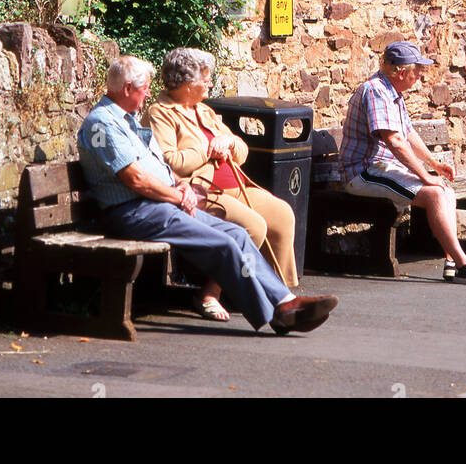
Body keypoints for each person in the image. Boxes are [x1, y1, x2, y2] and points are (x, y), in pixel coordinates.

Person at [77, 55, 338, 333]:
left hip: (159, 204)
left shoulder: (127, 121)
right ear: (128, 89)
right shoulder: (101, 124)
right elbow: (136, 179)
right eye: (145, 87)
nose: (149, 92)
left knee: (236, 235)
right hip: (134, 211)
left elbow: (161, 167)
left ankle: (286, 300)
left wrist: (180, 186)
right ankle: (276, 314)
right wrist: (178, 195)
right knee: (224, 244)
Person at [146, 47, 298, 321]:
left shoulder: (204, 111)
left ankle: (278, 292)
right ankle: (209, 293)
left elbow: (241, 151)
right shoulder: (161, 112)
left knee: (282, 214)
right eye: (205, 78)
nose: (209, 83)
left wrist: (228, 142)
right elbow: (169, 160)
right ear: (187, 82)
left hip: (237, 185)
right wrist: (208, 149)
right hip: (200, 190)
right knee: (253, 226)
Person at [339, 40, 466, 286]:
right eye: (417, 71)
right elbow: (395, 141)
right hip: (363, 172)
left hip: (382, 168)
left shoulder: (392, 92)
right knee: (434, 194)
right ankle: (464, 264)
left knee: (444, 189)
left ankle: (452, 262)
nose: (419, 77)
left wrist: (433, 164)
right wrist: (425, 176)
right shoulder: (376, 91)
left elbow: (408, 134)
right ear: (402, 72)